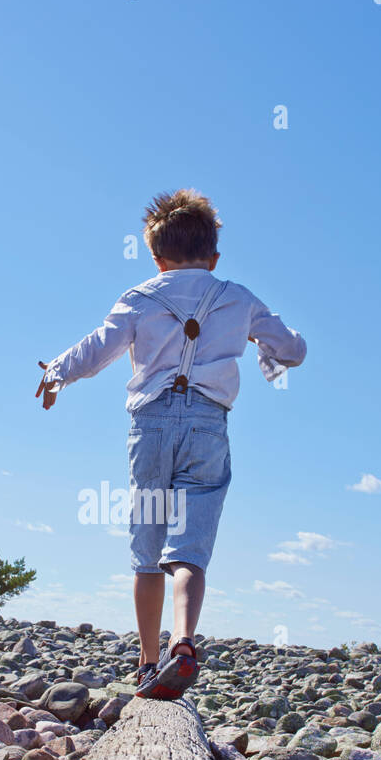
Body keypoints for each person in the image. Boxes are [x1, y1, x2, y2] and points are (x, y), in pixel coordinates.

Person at [36, 188, 307, 698]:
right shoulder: (238, 298)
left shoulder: (139, 297)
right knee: (189, 550)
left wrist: (57, 372)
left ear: (156, 258)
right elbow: (292, 349)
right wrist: (261, 341)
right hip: (207, 425)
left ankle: (146, 661)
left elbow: (100, 347)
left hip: (151, 426)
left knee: (146, 549)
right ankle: (183, 642)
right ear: (215, 256)